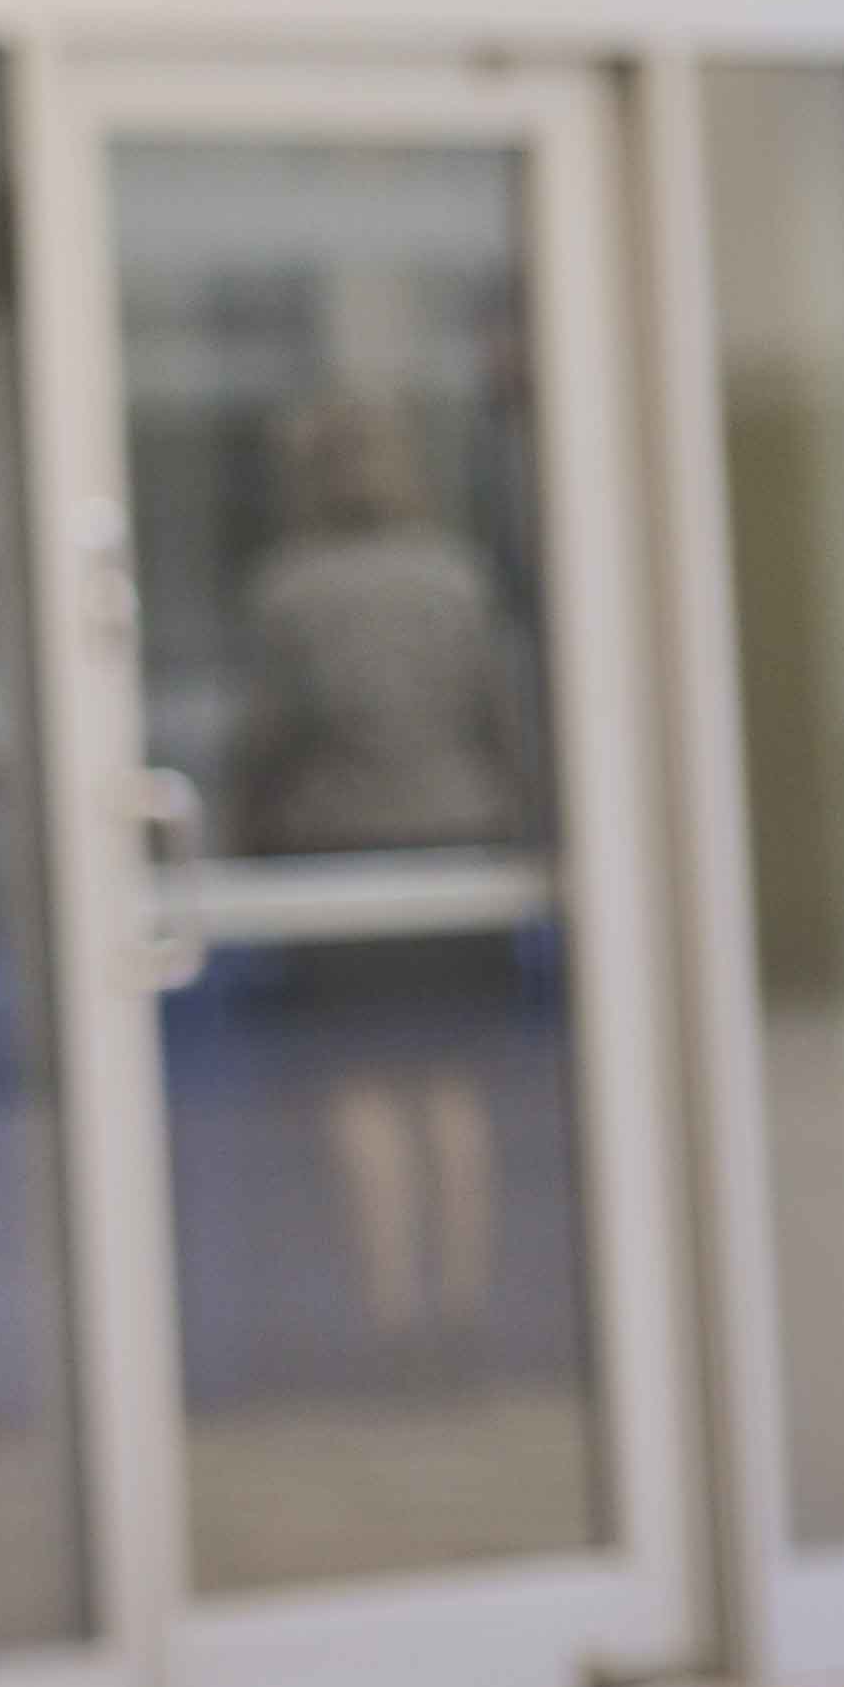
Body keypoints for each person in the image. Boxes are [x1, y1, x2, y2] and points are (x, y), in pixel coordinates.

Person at [224, 385, 544, 1358]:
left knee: (361, 1087)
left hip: (340, 846)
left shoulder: (290, 590)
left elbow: (273, 735)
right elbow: (499, 715)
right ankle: (460, 1302)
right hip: (457, 840)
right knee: (451, 1087)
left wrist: (245, 838)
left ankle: (388, 1313)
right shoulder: (455, 577)